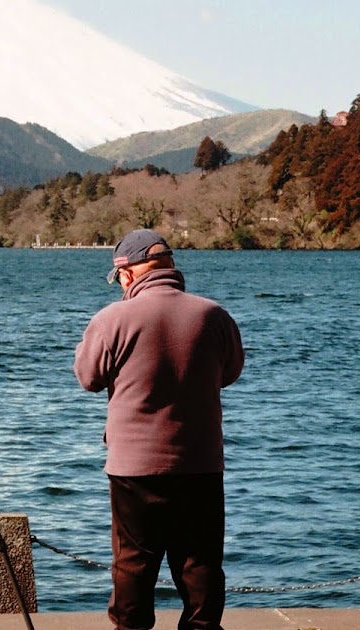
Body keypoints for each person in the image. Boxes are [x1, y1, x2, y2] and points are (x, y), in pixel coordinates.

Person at [74, 228, 244, 630]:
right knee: (199, 565)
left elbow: (87, 377)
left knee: (133, 566)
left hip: (134, 467)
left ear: (128, 273)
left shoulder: (111, 319)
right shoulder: (213, 315)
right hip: (200, 462)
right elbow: (231, 372)